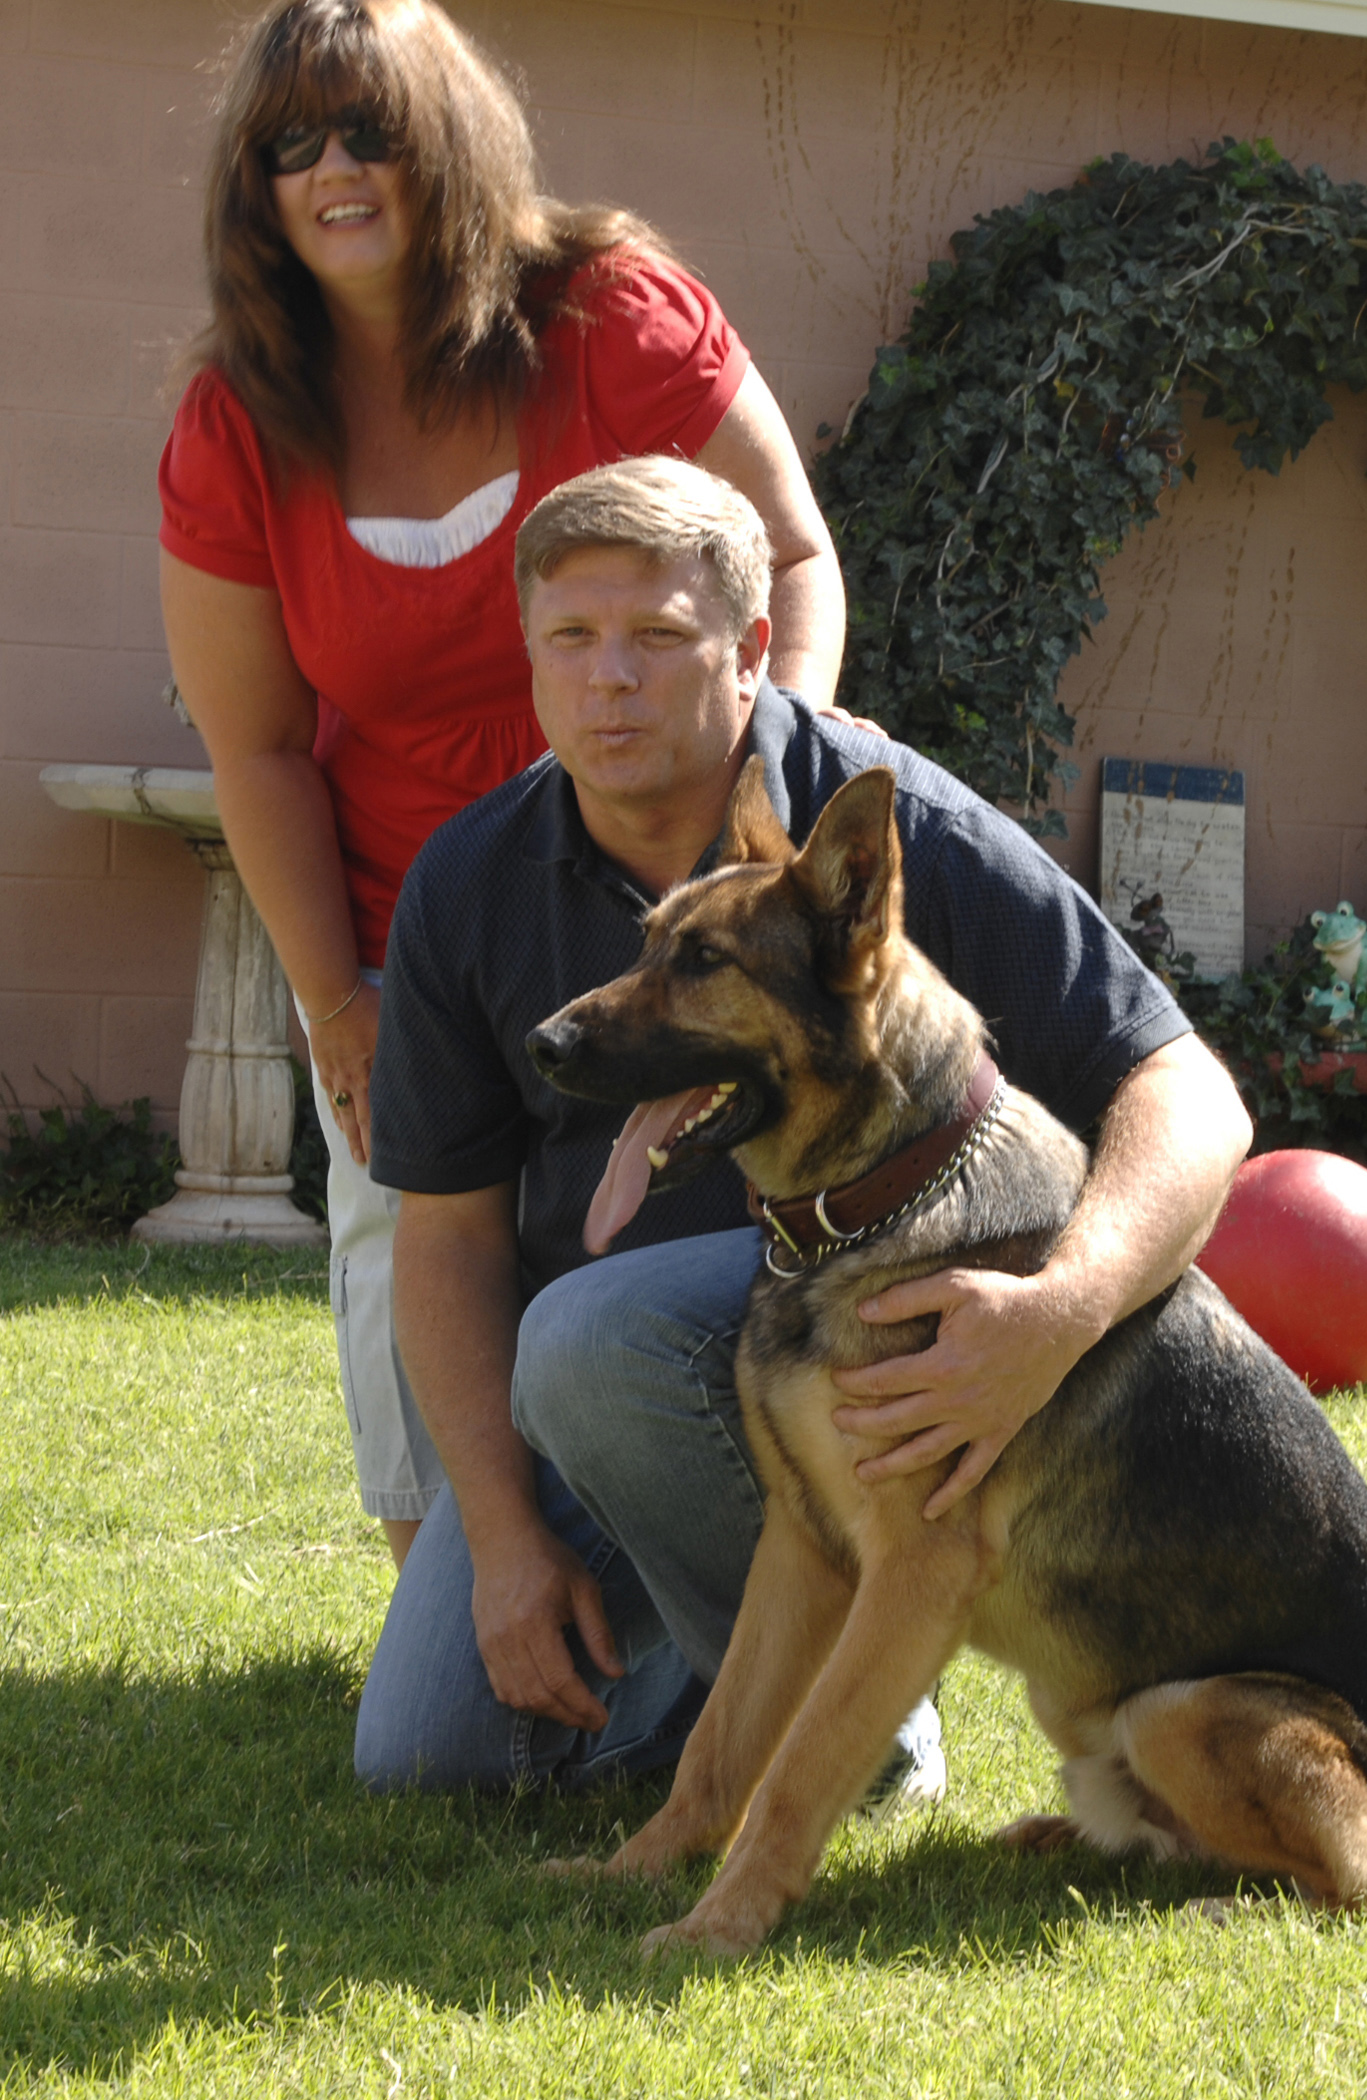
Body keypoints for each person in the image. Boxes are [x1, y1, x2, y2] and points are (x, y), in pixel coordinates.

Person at [352, 455, 1254, 1797]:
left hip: (808, 1350)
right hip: (592, 1409)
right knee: (433, 1756)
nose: (610, 678)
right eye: (572, 639)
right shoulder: (471, 879)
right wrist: (501, 1539)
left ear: (751, 648)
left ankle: (850, 1719)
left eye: (659, 638)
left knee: (602, 1329)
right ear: (528, 653)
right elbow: (446, 1242)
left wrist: (1064, 1309)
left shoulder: (892, 836)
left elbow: (1190, 1093)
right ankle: (756, 1692)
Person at [156, 0, 845, 1570]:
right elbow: (253, 743)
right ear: (255, 184)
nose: (333, 168)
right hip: (421, 929)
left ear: (446, 141)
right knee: (422, 1242)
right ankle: (470, 1591)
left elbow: (790, 560)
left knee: (699, 1246)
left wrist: (762, 836)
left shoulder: (614, 319)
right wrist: (341, 1006)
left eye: (371, 130)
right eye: (291, 144)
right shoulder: (240, 417)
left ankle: (780, 1575)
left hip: (673, 910)